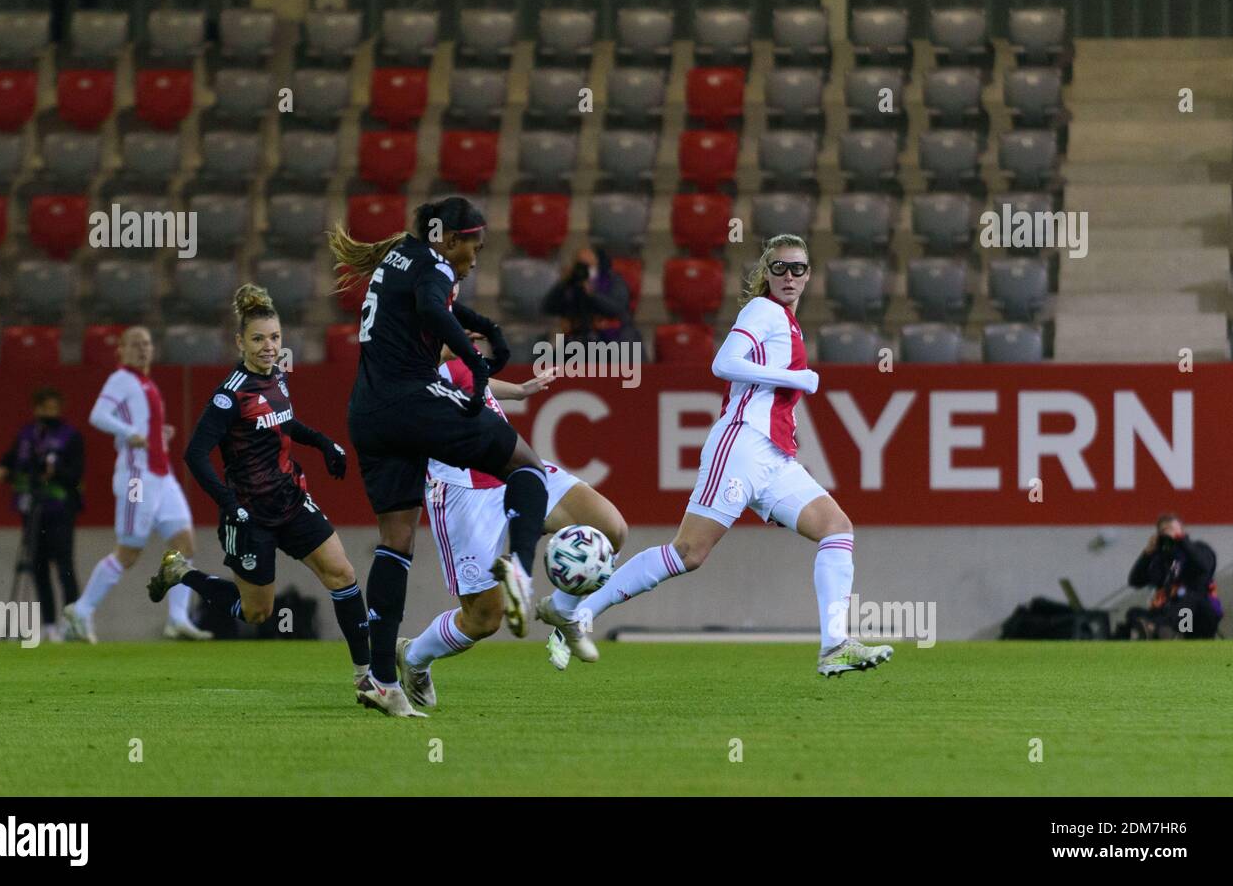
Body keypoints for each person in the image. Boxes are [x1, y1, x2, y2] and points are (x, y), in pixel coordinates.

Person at [537, 234, 893, 677]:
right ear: (766, 274)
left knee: (837, 529)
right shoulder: (763, 310)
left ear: (808, 276)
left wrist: (790, 380)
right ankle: (576, 615)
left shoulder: (786, 320)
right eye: (779, 268)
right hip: (742, 444)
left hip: (775, 457)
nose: (788, 276)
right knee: (688, 552)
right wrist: (794, 377)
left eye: (797, 268)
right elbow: (722, 363)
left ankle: (834, 645)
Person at [331, 196, 550, 717]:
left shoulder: (400, 256)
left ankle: (381, 680)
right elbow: (433, 306)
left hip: (368, 413)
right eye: (474, 242)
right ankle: (519, 569)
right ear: (449, 239)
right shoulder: (433, 264)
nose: (477, 253)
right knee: (527, 468)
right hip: (413, 400)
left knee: (396, 542)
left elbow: (436, 305)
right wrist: (475, 356)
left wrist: (483, 324)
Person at [149, 284, 376, 692]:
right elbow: (195, 455)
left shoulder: (277, 378)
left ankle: (367, 676)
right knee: (256, 612)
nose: (269, 346)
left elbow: (284, 422)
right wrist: (228, 502)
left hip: (291, 499)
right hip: (249, 514)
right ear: (240, 342)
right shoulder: (228, 396)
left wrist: (324, 443)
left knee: (342, 573)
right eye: (258, 339)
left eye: (274, 337)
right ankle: (181, 571)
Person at [395, 341, 629, 707]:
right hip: (461, 487)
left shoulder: (446, 322)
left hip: (512, 463)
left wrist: (518, 391)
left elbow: (471, 379)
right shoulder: (406, 354)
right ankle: (413, 659)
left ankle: (561, 610)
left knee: (609, 529)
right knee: (484, 619)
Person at [63, 326, 211, 642]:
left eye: (146, 343)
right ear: (121, 350)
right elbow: (98, 415)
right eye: (135, 344)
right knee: (129, 552)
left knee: (185, 545)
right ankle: (81, 610)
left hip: (162, 475)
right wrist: (130, 433)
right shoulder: (121, 379)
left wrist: (159, 434)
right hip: (136, 477)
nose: (142, 349)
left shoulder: (147, 383)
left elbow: (139, 424)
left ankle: (177, 618)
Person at [0, 387, 84, 641]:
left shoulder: (70, 436)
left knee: (64, 567)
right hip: (32, 510)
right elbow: (10, 461)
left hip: (61, 510)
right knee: (38, 567)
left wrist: (56, 472)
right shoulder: (27, 435)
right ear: (37, 409)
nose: (49, 413)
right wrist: (0, 468)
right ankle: (50, 625)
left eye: (54, 408)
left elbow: (76, 473)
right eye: (45, 408)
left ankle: (72, 622)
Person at [1126, 514, 1222, 639]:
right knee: (1134, 613)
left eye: (1172, 529)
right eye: (1164, 531)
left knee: (1188, 597)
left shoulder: (1200, 549)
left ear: (1182, 531)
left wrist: (1182, 540)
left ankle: (1157, 627)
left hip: (1198, 615)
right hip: (1170, 613)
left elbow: (1204, 566)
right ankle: (1157, 628)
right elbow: (1135, 581)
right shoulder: (1161, 558)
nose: (1168, 534)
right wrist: (1147, 553)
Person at [542, 246, 638, 346]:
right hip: (577, 340)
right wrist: (562, 284)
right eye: (580, 265)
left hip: (609, 339)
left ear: (598, 265)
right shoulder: (570, 283)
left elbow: (618, 308)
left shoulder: (613, 281)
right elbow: (548, 307)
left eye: (589, 265)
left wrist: (593, 294)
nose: (584, 269)